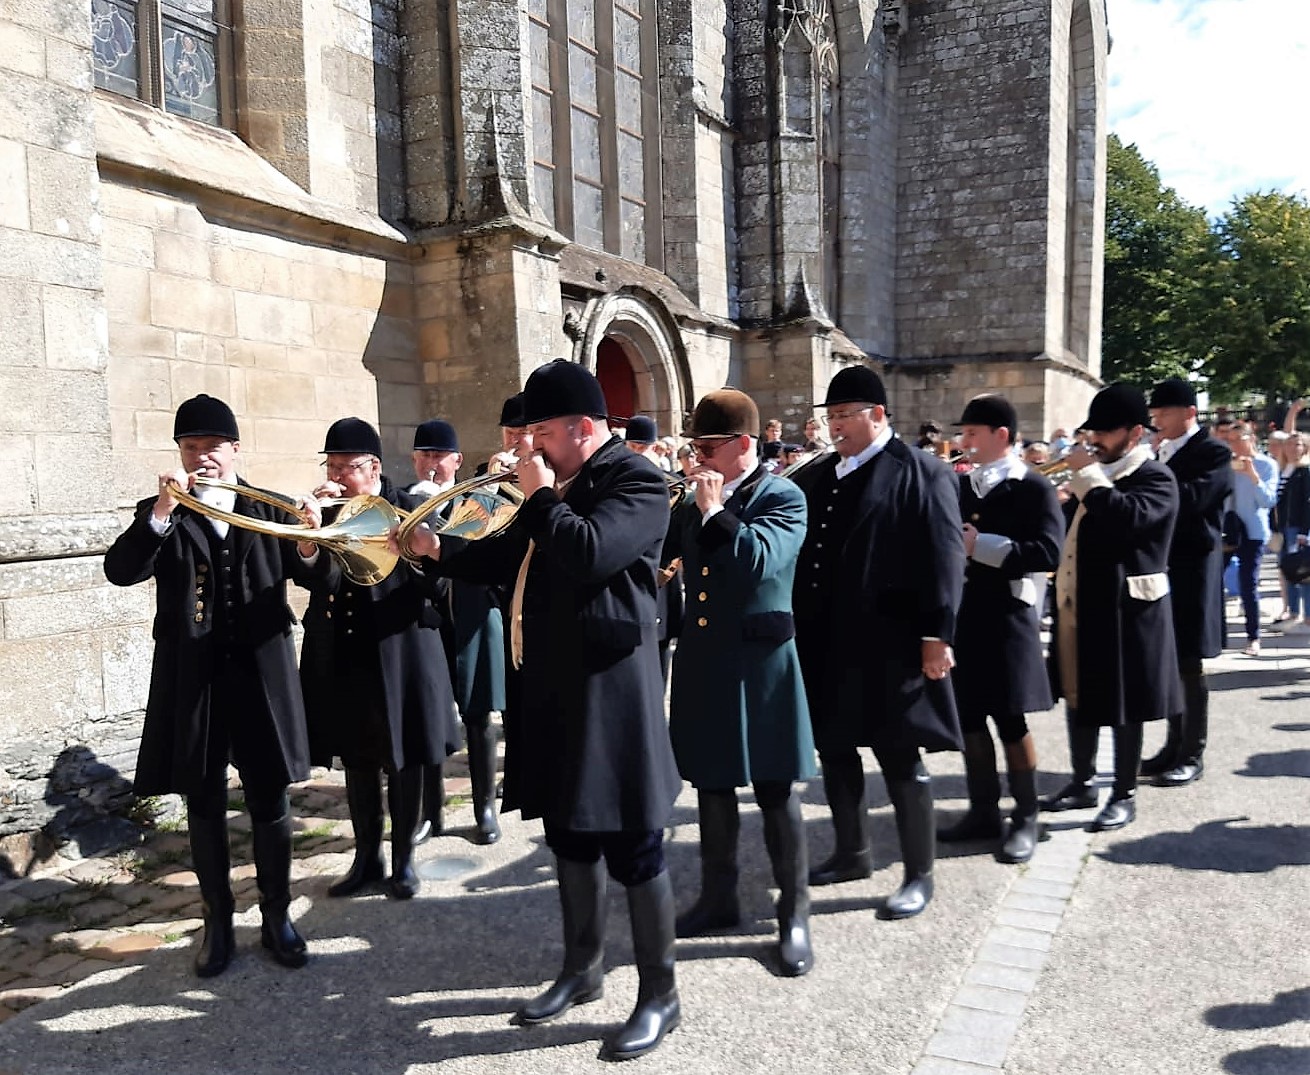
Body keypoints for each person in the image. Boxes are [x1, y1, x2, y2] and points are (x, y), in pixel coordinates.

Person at [404, 360, 683, 1061]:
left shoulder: (637, 480)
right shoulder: (555, 487)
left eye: (542, 433)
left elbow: (589, 552)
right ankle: (582, 968)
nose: (530, 447)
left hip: (611, 693)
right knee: (569, 832)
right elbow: (505, 557)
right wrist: (436, 549)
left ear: (583, 427)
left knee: (634, 845)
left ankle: (660, 994)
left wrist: (536, 495)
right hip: (554, 687)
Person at [103, 394, 324, 976]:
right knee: (202, 802)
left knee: (270, 799)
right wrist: (159, 511)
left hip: (260, 674)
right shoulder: (163, 512)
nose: (202, 457)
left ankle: (277, 916)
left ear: (235, 449)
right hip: (193, 678)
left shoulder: (271, 508)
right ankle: (217, 923)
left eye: (212, 447)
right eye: (191, 447)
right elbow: (121, 570)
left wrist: (308, 540)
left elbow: (316, 575)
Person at [791, 366, 964, 920]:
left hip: (892, 643)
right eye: (831, 417)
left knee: (899, 755)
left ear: (878, 414)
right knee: (835, 749)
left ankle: (919, 873)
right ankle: (852, 852)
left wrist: (937, 635)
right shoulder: (819, 474)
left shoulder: (921, 471)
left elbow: (945, 557)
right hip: (826, 639)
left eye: (846, 415)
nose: (836, 426)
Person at [667, 389, 817, 976]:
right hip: (706, 657)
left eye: (708, 447)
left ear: (744, 444)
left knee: (776, 788)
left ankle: (794, 914)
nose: (698, 457)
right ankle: (719, 896)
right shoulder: (692, 501)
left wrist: (714, 512)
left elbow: (758, 561)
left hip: (761, 660)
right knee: (712, 782)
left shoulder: (782, 495)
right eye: (695, 446)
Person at [300, 418, 461, 900]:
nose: (336, 476)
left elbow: (440, 584)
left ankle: (404, 860)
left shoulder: (409, 507)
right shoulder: (328, 514)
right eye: (331, 466)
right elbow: (320, 582)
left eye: (345, 467)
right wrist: (310, 542)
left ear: (372, 467)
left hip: (402, 649)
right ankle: (367, 857)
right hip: (348, 649)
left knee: (404, 756)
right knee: (357, 758)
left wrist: (416, 550)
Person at [1041, 384, 1182, 832]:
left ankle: (1124, 794)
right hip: (1079, 602)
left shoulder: (1155, 477)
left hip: (1127, 609)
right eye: (1093, 432)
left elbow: (1129, 520)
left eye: (1105, 432)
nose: (1095, 440)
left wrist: (1086, 481)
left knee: (1125, 703)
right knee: (1077, 693)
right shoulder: (1095, 478)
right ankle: (1082, 781)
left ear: (1135, 433)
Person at [938, 395, 1063, 863]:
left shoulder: (1032, 486)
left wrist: (984, 546)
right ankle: (983, 810)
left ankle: (1026, 815)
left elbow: (1048, 551)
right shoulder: (960, 484)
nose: (964, 441)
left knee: (1010, 719)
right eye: (964, 433)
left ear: (1001, 435)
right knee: (969, 717)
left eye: (973, 433)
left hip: (1007, 618)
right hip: (965, 616)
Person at [410, 418, 505, 845]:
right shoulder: (403, 500)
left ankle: (484, 806)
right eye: (424, 455)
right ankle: (431, 811)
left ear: (457, 460)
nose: (432, 463)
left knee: (478, 713)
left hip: (471, 615)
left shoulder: (476, 498)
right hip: (424, 620)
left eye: (440, 456)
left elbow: (484, 550)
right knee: (430, 717)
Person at [1143, 379, 1233, 788]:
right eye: (1154, 413)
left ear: (1189, 412)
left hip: (1193, 568)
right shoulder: (1161, 451)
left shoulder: (1213, 452)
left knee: (1189, 663)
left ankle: (1192, 752)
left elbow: (1193, 500)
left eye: (1164, 412)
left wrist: (1150, 478)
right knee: (1170, 659)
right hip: (1162, 566)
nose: (1156, 419)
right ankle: (1172, 744)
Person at [1214, 418, 1278, 656]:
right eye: (1229, 440)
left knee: (1248, 584)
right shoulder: (1226, 463)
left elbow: (1268, 501)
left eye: (1237, 440)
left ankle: (1253, 637)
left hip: (1253, 532)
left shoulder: (1266, 465)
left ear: (1251, 439)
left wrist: (1253, 476)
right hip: (1227, 531)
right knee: (1215, 582)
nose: (1233, 445)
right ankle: (1218, 635)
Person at [1272, 431, 1310, 632]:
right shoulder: (1282, 470)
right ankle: (1293, 613)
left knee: (1302, 572)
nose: (1293, 449)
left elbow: (1308, 503)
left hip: (1298, 528)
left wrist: (1305, 531)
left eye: (1298, 444)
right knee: (1287, 571)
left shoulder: (1305, 471)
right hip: (1283, 529)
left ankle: (1307, 618)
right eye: (1289, 444)